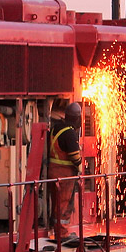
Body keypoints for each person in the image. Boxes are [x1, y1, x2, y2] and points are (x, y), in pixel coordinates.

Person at [47, 100, 83, 241]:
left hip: (53, 173)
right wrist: (80, 164)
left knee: (56, 204)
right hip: (65, 175)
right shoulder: (69, 134)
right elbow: (75, 157)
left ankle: (57, 231)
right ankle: (62, 234)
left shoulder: (57, 128)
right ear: (76, 118)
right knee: (64, 205)